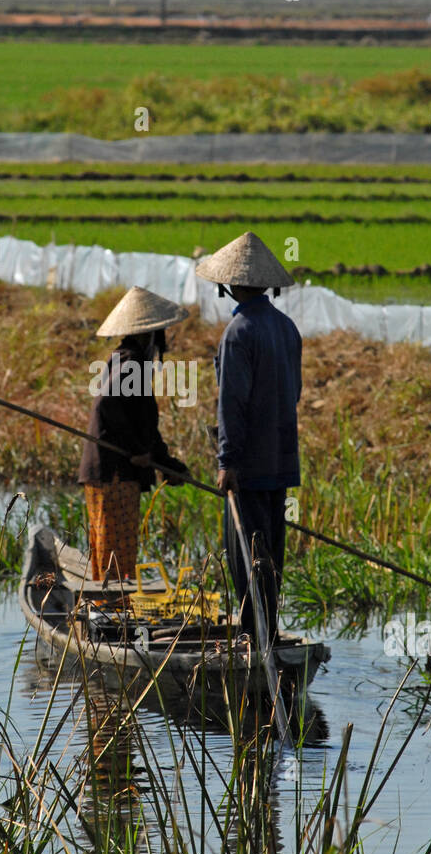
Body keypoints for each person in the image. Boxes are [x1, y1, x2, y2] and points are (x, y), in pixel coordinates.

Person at [195, 232, 301, 642]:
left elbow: (232, 405)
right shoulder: (287, 328)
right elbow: (294, 394)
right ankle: (267, 632)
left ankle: (255, 639)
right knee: (271, 554)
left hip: (249, 467)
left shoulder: (238, 332)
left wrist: (227, 462)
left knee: (246, 556)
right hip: (281, 463)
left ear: (231, 285)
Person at [78, 286, 189, 583]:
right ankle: (112, 617)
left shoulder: (124, 358)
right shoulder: (133, 362)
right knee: (117, 557)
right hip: (115, 475)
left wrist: (168, 465)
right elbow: (107, 405)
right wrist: (136, 449)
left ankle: (107, 613)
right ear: (150, 334)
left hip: (108, 472)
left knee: (109, 554)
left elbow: (143, 425)